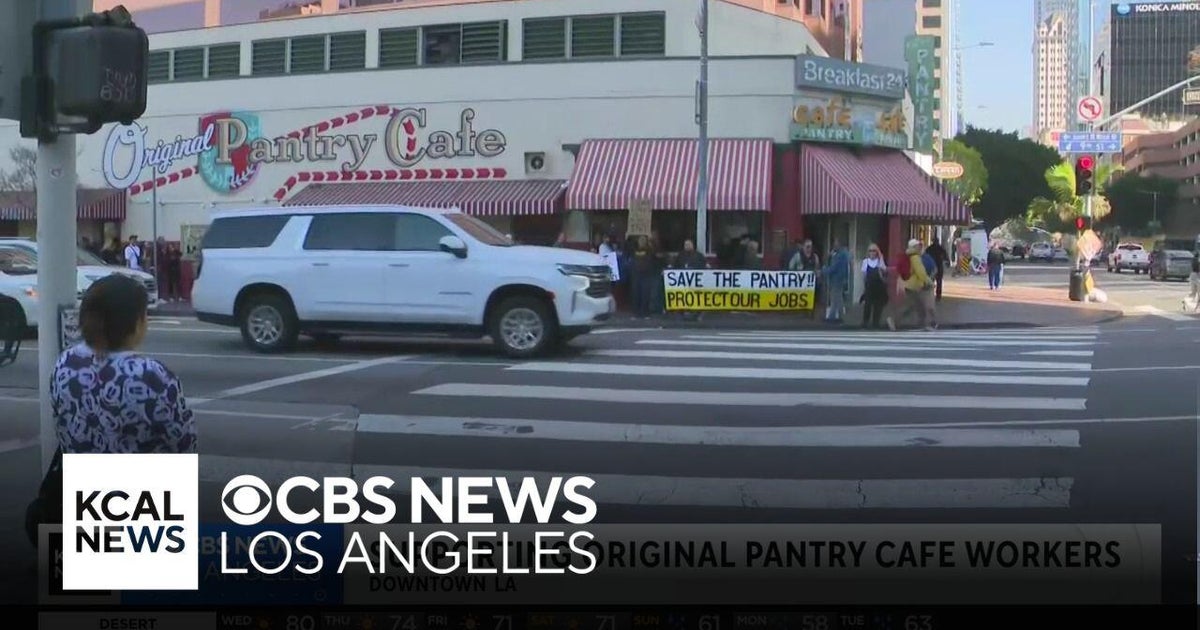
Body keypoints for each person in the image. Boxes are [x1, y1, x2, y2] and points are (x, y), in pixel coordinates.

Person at [51, 274, 196, 454]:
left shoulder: (65, 363)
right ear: (135, 322)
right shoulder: (151, 376)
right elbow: (183, 442)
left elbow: (61, 424)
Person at [860, 243, 888, 329]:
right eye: (870, 251)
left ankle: (876, 323)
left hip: (879, 286)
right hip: (869, 286)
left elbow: (884, 270)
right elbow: (864, 275)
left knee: (878, 306)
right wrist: (864, 286)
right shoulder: (865, 262)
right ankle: (865, 322)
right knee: (867, 305)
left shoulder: (879, 261)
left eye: (874, 251)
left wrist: (881, 258)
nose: (872, 253)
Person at [821, 240, 850, 323]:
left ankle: (832, 317)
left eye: (835, 245)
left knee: (834, 298)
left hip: (836, 279)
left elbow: (833, 268)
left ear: (839, 246)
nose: (833, 247)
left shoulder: (839, 256)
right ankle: (840, 316)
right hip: (840, 279)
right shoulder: (844, 255)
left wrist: (824, 270)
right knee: (839, 298)